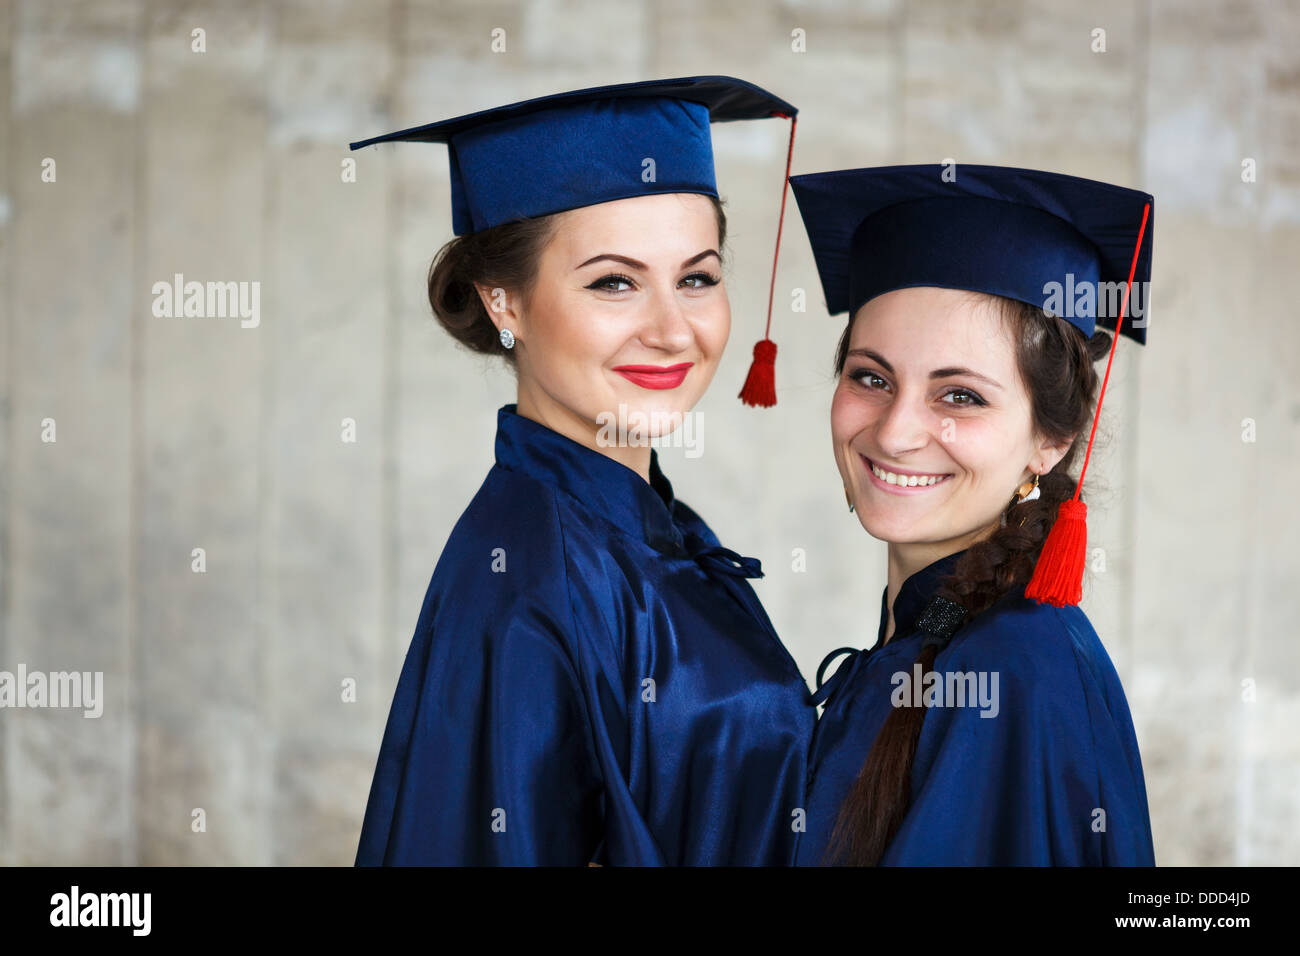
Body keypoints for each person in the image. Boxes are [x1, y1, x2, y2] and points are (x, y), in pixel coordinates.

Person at [349, 77, 814, 865]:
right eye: (613, 282)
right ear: (505, 303)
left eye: (696, 277)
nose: (672, 330)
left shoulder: (639, 528)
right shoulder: (533, 580)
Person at [787, 163, 1157, 865]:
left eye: (959, 396)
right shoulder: (935, 637)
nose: (895, 433)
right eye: (872, 377)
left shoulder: (1012, 671)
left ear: (1050, 440)